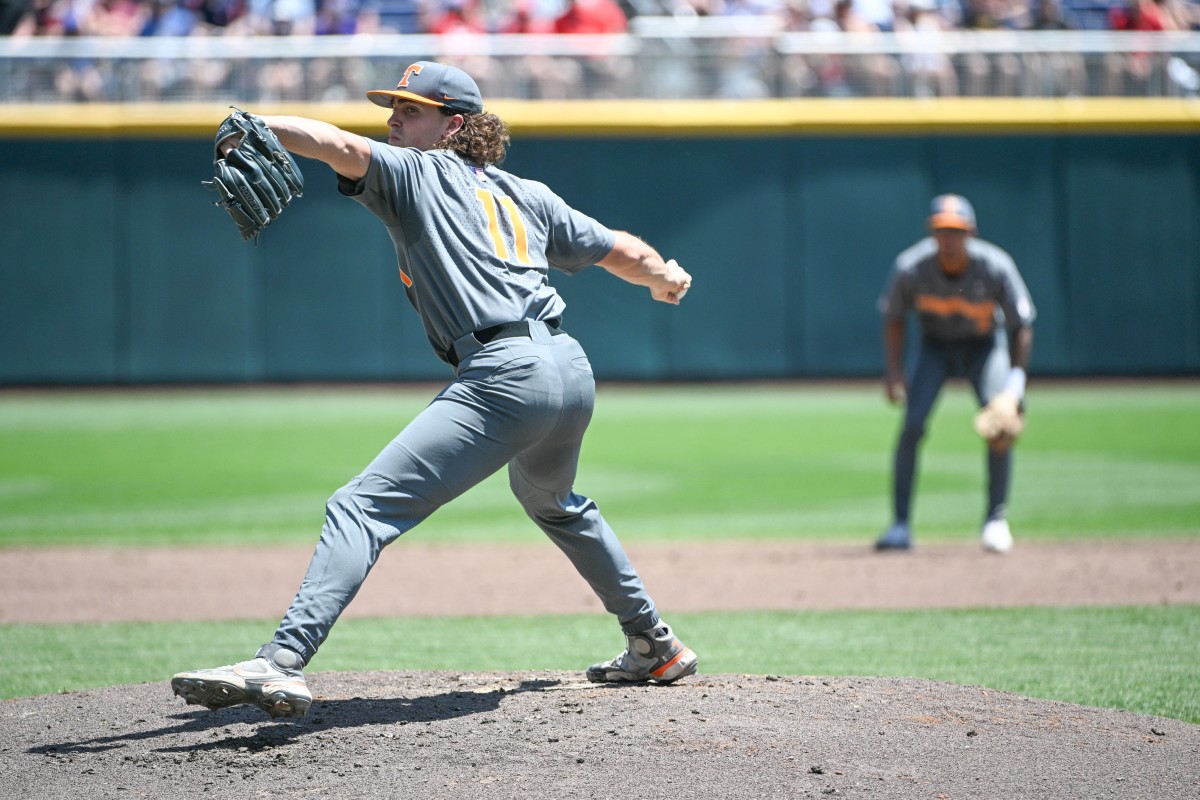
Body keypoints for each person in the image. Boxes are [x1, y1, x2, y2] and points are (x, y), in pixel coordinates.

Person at [171, 61, 698, 719]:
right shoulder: (526, 194)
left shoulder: (415, 172)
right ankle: (653, 643)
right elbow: (620, 250)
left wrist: (256, 125)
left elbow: (336, 145)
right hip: (569, 369)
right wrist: (663, 277)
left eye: (410, 110)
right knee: (554, 502)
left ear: (454, 125)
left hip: (505, 375)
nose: (394, 121)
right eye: (393, 108)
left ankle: (280, 661)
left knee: (361, 507)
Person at [874, 194, 1035, 554]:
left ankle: (996, 519)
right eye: (942, 231)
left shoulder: (995, 266)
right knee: (912, 426)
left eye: (956, 231)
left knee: (1000, 423)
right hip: (934, 346)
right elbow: (893, 317)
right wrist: (894, 372)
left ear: (970, 233)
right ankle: (900, 524)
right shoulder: (911, 268)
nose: (948, 239)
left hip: (983, 346)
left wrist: (1014, 386)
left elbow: (1021, 326)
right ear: (932, 233)